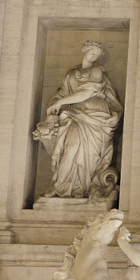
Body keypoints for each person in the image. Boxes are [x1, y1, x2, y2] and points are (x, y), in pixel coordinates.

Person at [32, 42, 122, 198]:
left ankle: (82, 187)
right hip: (75, 115)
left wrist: (61, 103)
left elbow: (88, 91)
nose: (94, 56)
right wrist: (54, 105)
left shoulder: (96, 71)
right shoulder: (71, 74)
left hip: (96, 116)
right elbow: (62, 93)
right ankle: (61, 186)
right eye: (92, 53)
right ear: (84, 51)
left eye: (97, 55)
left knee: (90, 155)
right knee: (71, 148)